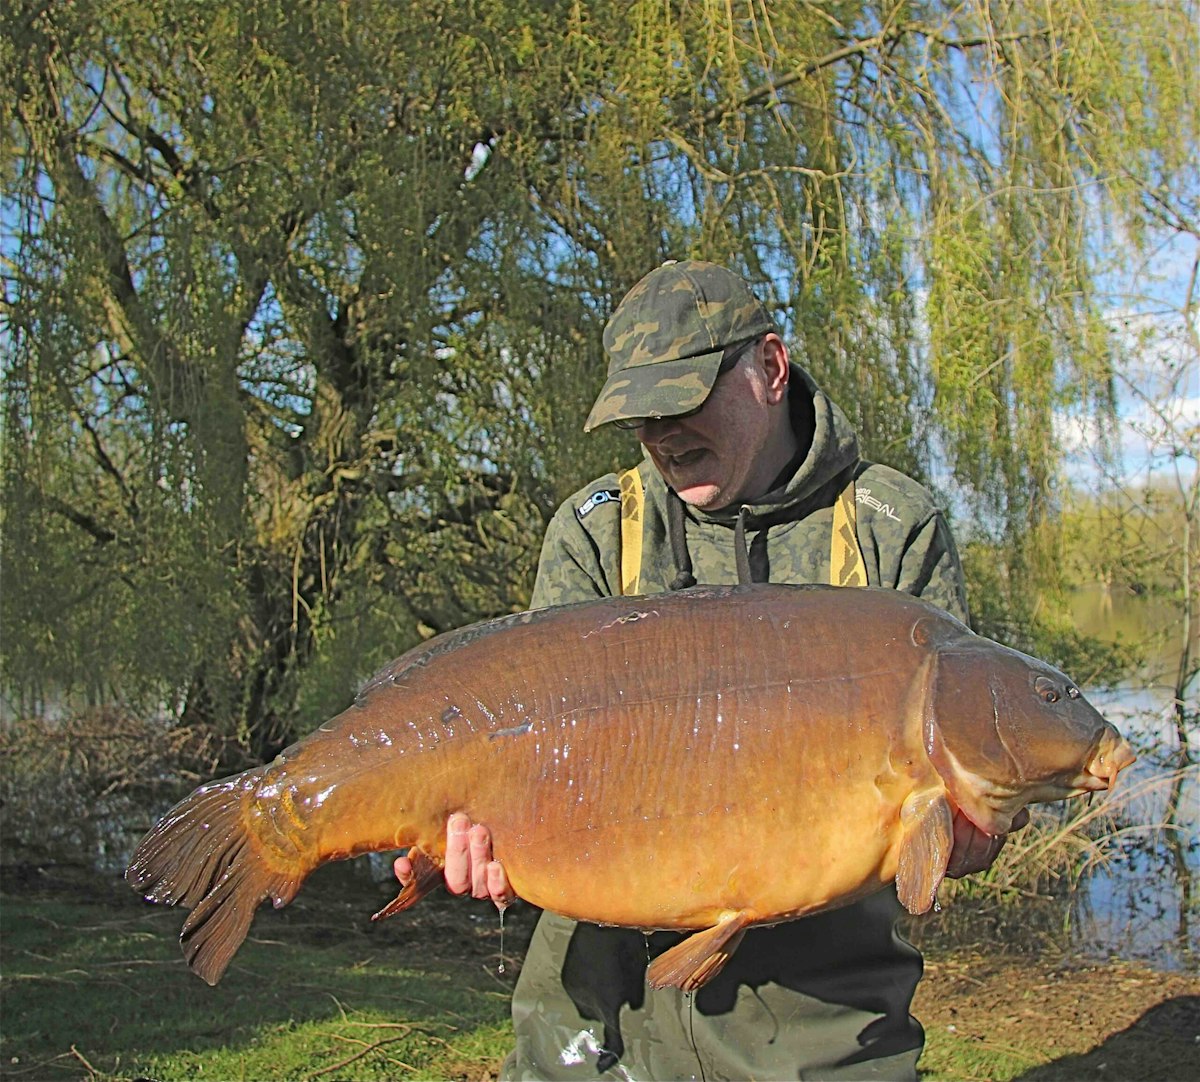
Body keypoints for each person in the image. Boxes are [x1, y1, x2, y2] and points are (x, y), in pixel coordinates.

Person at [397, 260, 1015, 1080]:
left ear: (769, 366)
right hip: (592, 1015)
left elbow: (969, 766)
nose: (663, 435)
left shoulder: (887, 530)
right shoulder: (596, 533)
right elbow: (524, 768)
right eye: (640, 417)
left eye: (682, 401)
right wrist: (486, 848)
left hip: (815, 1027)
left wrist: (974, 828)